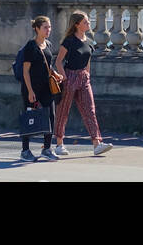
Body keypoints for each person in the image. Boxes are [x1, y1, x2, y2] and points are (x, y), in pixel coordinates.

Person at [52, 11, 112, 157]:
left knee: (89, 109)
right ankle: (59, 143)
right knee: (63, 110)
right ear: (77, 24)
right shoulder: (69, 41)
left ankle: (97, 143)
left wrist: (88, 74)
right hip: (70, 75)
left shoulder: (89, 41)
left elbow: (88, 60)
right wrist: (64, 77)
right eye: (85, 22)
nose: (88, 24)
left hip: (84, 77)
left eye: (88, 21)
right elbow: (58, 61)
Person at [19, 16, 64, 162]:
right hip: (32, 88)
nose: (48, 30)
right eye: (45, 27)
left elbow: (48, 65)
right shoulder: (30, 47)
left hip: (46, 88)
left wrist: (55, 73)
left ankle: (46, 149)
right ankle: (25, 151)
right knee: (29, 118)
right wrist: (30, 91)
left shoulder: (48, 45)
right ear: (36, 29)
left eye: (49, 27)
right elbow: (25, 71)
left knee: (50, 116)